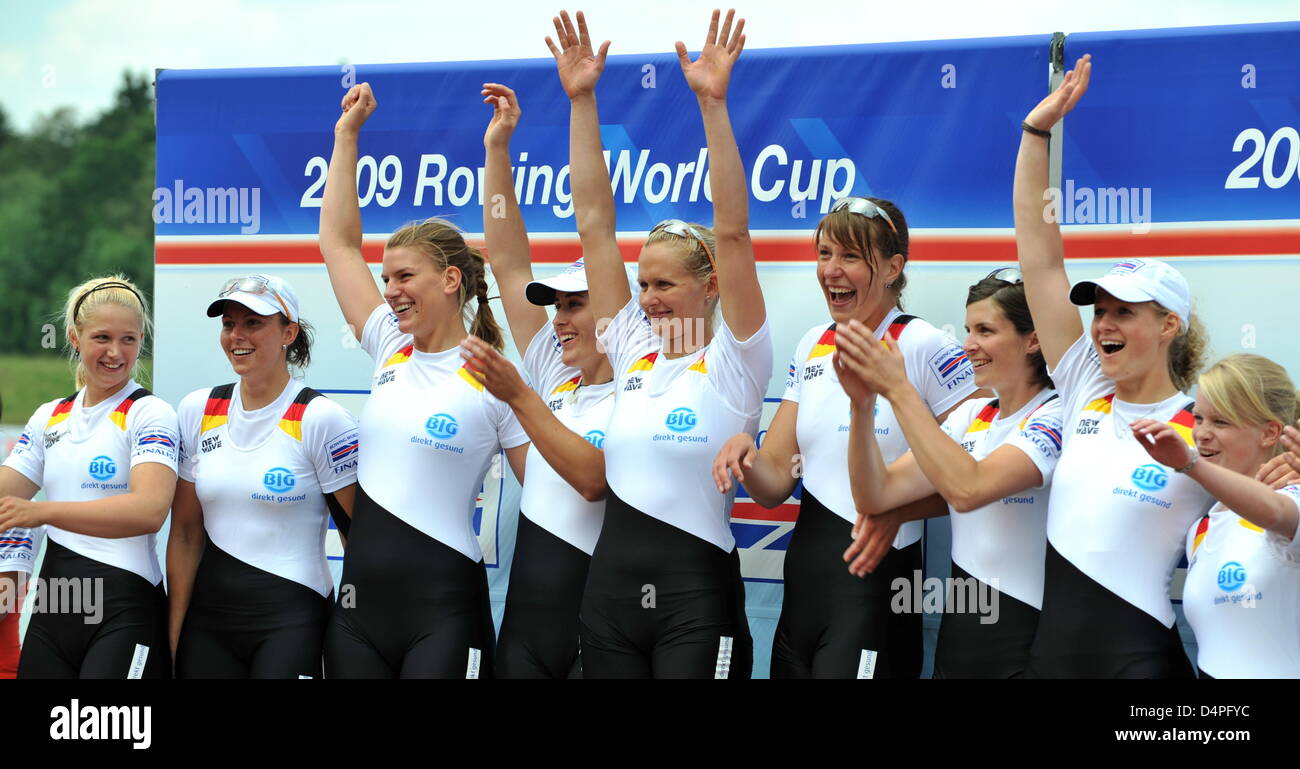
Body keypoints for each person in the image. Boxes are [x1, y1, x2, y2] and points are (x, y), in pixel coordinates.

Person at [552, 9, 770, 678]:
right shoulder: (631, 349)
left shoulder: (737, 357)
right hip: (609, 598)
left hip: (695, 602)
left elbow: (732, 232)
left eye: (665, 284)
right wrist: (581, 102)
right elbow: (593, 223)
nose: (646, 297)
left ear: (710, 287)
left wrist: (713, 104)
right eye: (642, 283)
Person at [319, 80, 529, 678]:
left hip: (444, 612)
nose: (389, 292)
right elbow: (336, 243)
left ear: (450, 280)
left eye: (404, 276)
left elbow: (544, 497)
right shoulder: (389, 343)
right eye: (385, 279)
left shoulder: (494, 375)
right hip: (358, 610)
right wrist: (346, 136)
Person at [1014, 55, 1214, 677]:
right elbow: (1041, 261)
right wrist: (1035, 135)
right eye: (1099, 311)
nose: (1102, 325)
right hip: (1052, 657)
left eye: (1123, 313)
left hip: (1141, 659)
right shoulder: (1083, 386)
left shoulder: (1205, 420)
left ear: (1168, 325)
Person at [835, 268, 1063, 678]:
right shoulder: (972, 414)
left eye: (985, 331)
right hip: (959, 640)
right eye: (967, 329)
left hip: (1027, 640)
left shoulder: (1058, 413)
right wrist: (862, 406)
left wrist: (899, 389)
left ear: (1033, 340)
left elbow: (967, 488)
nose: (969, 345)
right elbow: (876, 495)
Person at [461, 82, 615, 678]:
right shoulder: (554, 363)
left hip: (599, 622)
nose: (559, 320)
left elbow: (592, 480)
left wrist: (519, 396)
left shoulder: (641, 380)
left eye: (574, 305)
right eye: (554, 307)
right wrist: (497, 149)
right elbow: (507, 262)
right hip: (525, 625)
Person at [167, 274, 359, 678]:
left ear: (288, 332)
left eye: (253, 323)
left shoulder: (321, 418)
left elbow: (357, 539)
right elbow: (184, 534)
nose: (237, 335)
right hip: (208, 625)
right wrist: (173, 634)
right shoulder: (198, 409)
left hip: (293, 620)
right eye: (228, 324)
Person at [0, 276, 178, 678]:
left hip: (124, 607)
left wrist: (42, 513)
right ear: (75, 338)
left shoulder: (149, 412)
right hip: (55, 608)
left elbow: (149, 510)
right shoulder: (51, 415)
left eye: (129, 340)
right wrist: (33, 511)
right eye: (102, 337)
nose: (116, 353)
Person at [1132, 354, 1300, 678]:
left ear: (1269, 433)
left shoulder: (1290, 496)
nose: (1202, 434)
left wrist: (1191, 465)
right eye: (1198, 419)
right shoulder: (1203, 526)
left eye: (1220, 422)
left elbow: (1276, 512)